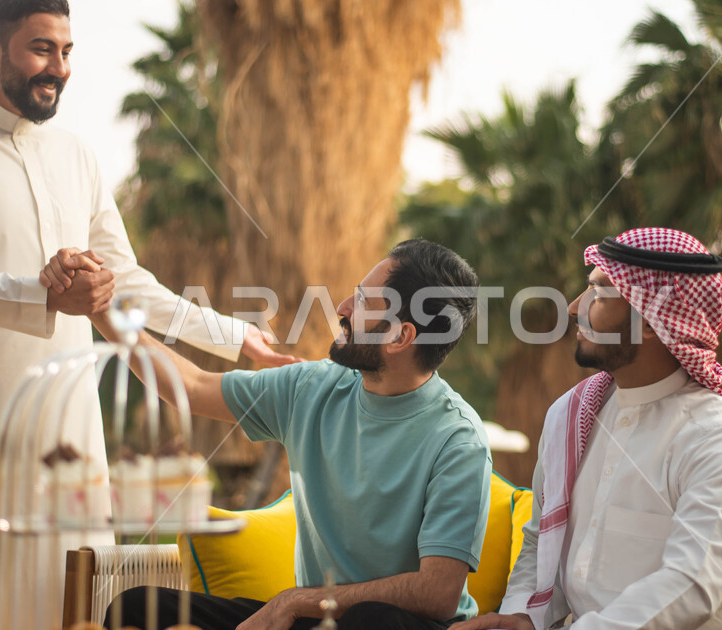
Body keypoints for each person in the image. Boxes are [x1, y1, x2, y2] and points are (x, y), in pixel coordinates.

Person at [0, 1, 299, 628]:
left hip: (63, 429)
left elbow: (128, 282)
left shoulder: (78, 155)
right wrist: (46, 294)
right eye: (41, 48)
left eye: (67, 51)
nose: (59, 67)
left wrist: (237, 337)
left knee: (59, 600)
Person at [93, 239, 493, 630]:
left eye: (363, 302)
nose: (342, 308)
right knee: (137, 607)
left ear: (399, 337)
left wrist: (299, 600)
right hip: (315, 617)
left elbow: (438, 592)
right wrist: (101, 313)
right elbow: (194, 387)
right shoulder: (312, 387)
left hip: (395, 625)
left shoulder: (458, 439)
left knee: (371, 619)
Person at [453, 228, 722, 630]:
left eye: (599, 293)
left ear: (653, 321)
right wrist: (521, 617)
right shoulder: (569, 416)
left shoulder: (721, 442)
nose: (574, 307)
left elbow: (691, 586)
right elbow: (540, 543)